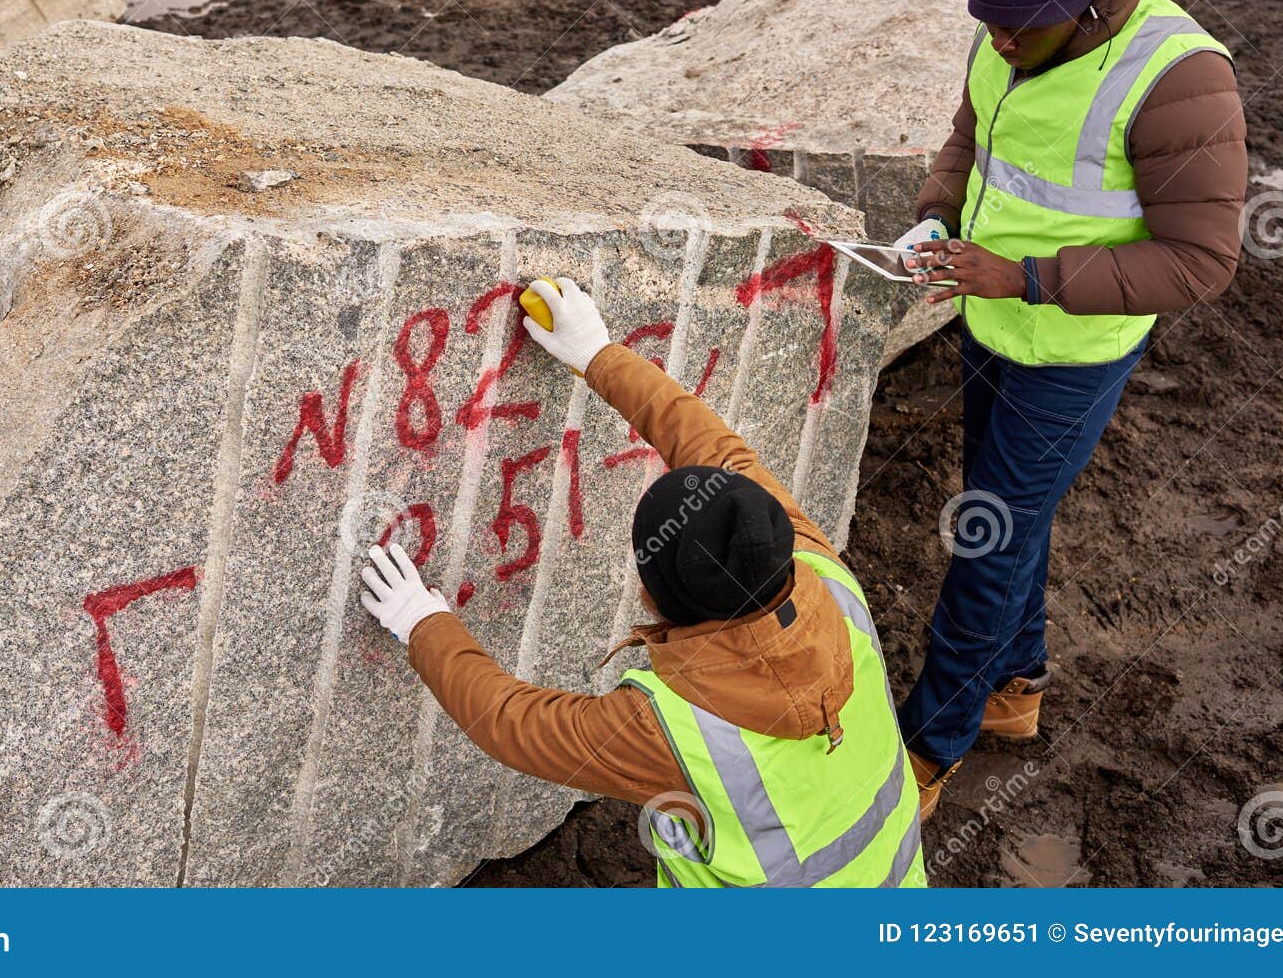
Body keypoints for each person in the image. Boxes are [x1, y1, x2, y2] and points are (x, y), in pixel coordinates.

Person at [358, 278, 924, 888]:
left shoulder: (677, 732)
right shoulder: (821, 573)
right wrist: (599, 355)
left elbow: (513, 724)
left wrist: (420, 620)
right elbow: (717, 454)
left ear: (654, 600)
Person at [894, 0, 1247, 817]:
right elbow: (973, 135)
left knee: (988, 536)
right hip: (992, 327)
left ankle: (928, 749)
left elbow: (1202, 261)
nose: (999, 45)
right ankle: (1016, 688)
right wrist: (934, 213)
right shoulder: (1009, 25)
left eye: (1019, 31)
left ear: (1082, 7)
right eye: (990, 26)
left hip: (1076, 348)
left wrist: (1024, 278)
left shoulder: (1179, 76)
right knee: (1011, 517)